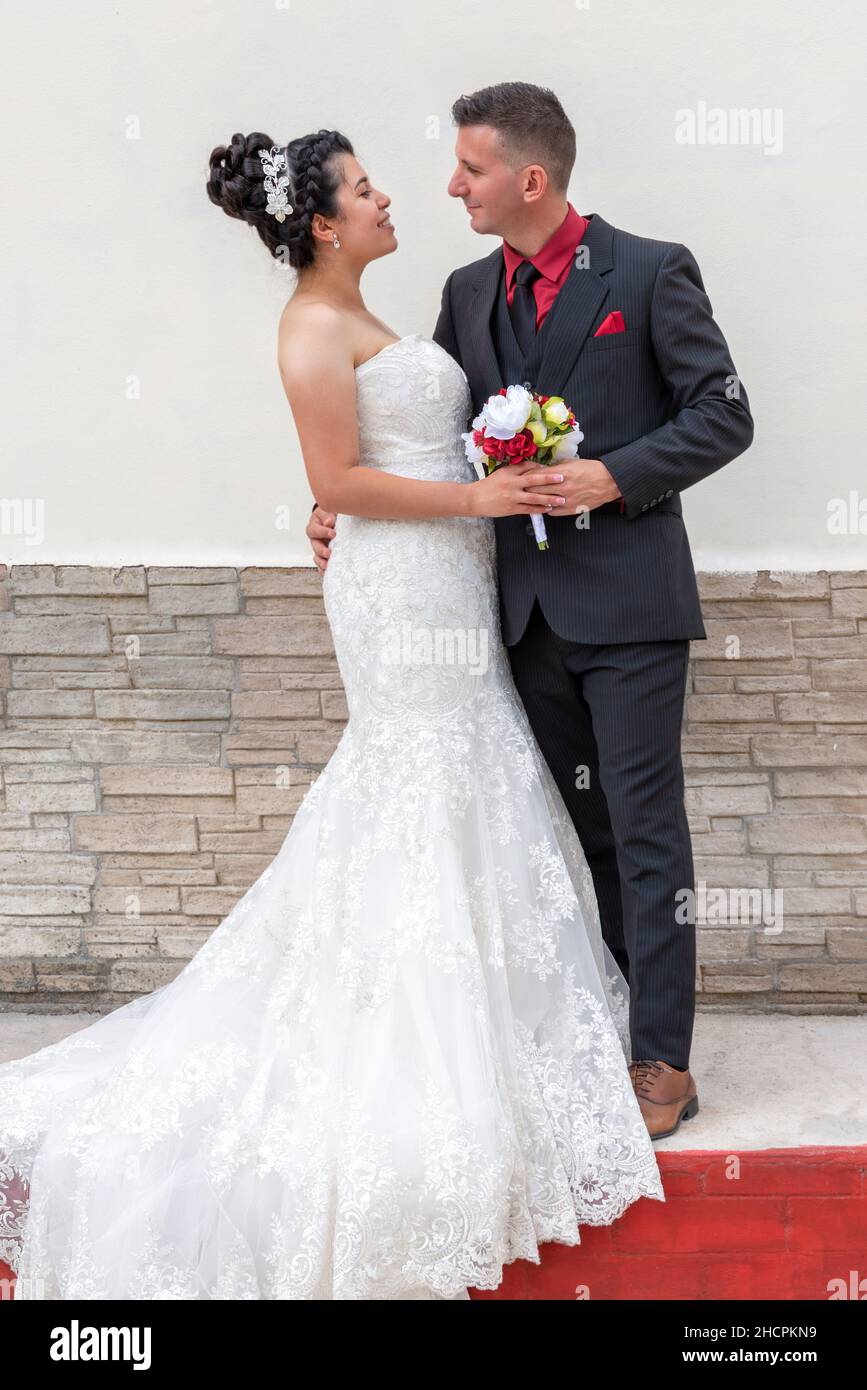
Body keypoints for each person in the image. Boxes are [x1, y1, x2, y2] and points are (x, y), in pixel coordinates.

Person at [0, 123, 665, 1303]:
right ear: (320, 221)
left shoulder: (390, 309)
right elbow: (337, 483)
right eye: (364, 189)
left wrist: (491, 476)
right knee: (419, 770)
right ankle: (411, 1033)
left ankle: (499, 1022)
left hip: (454, 568)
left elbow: (391, 447)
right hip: (402, 586)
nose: (388, 196)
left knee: (475, 770)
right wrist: (477, 491)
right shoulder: (308, 326)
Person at [308, 83, 755, 1138]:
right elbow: (427, 432)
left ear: (530, 179)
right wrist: (339, 508)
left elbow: (724, 414)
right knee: (576, 831)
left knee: (647, 835)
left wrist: (616, 476)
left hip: (632, 608)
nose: (451, 184)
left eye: (468, 168)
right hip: (515, 614)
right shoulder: (467, 291)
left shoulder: (648, 271)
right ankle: (603, 1017)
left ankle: (661, 1061)